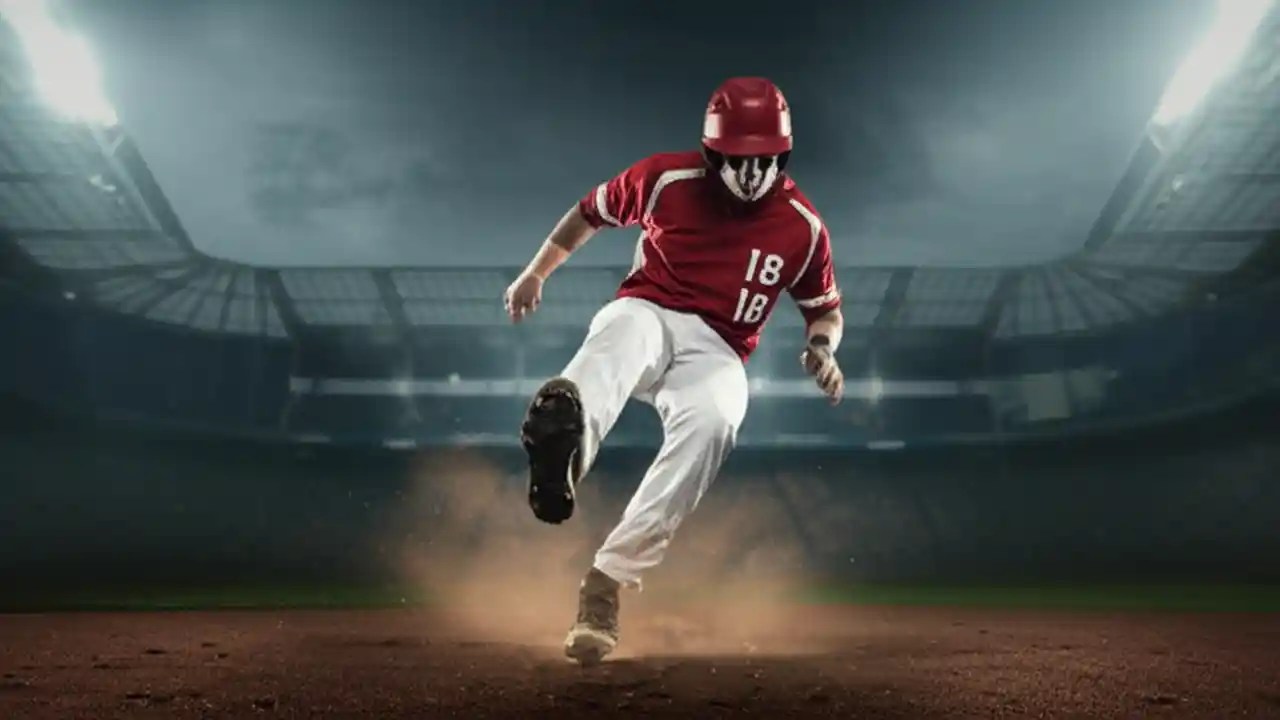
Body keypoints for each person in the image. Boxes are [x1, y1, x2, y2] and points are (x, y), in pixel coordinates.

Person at [502, 77, 844, 665]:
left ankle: (605, 584)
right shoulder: (666, 178)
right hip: (651, 308)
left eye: (764, 160)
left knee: (717, 421)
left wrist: (824, 348)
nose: (750, 172)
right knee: (620, 335)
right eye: (737, 159)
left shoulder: (804, 226)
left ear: (783, 154)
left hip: (719, 350)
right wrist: (536, 272)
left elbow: (826, 310)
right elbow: (589, 212)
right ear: (711, 152)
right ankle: (566, 443)